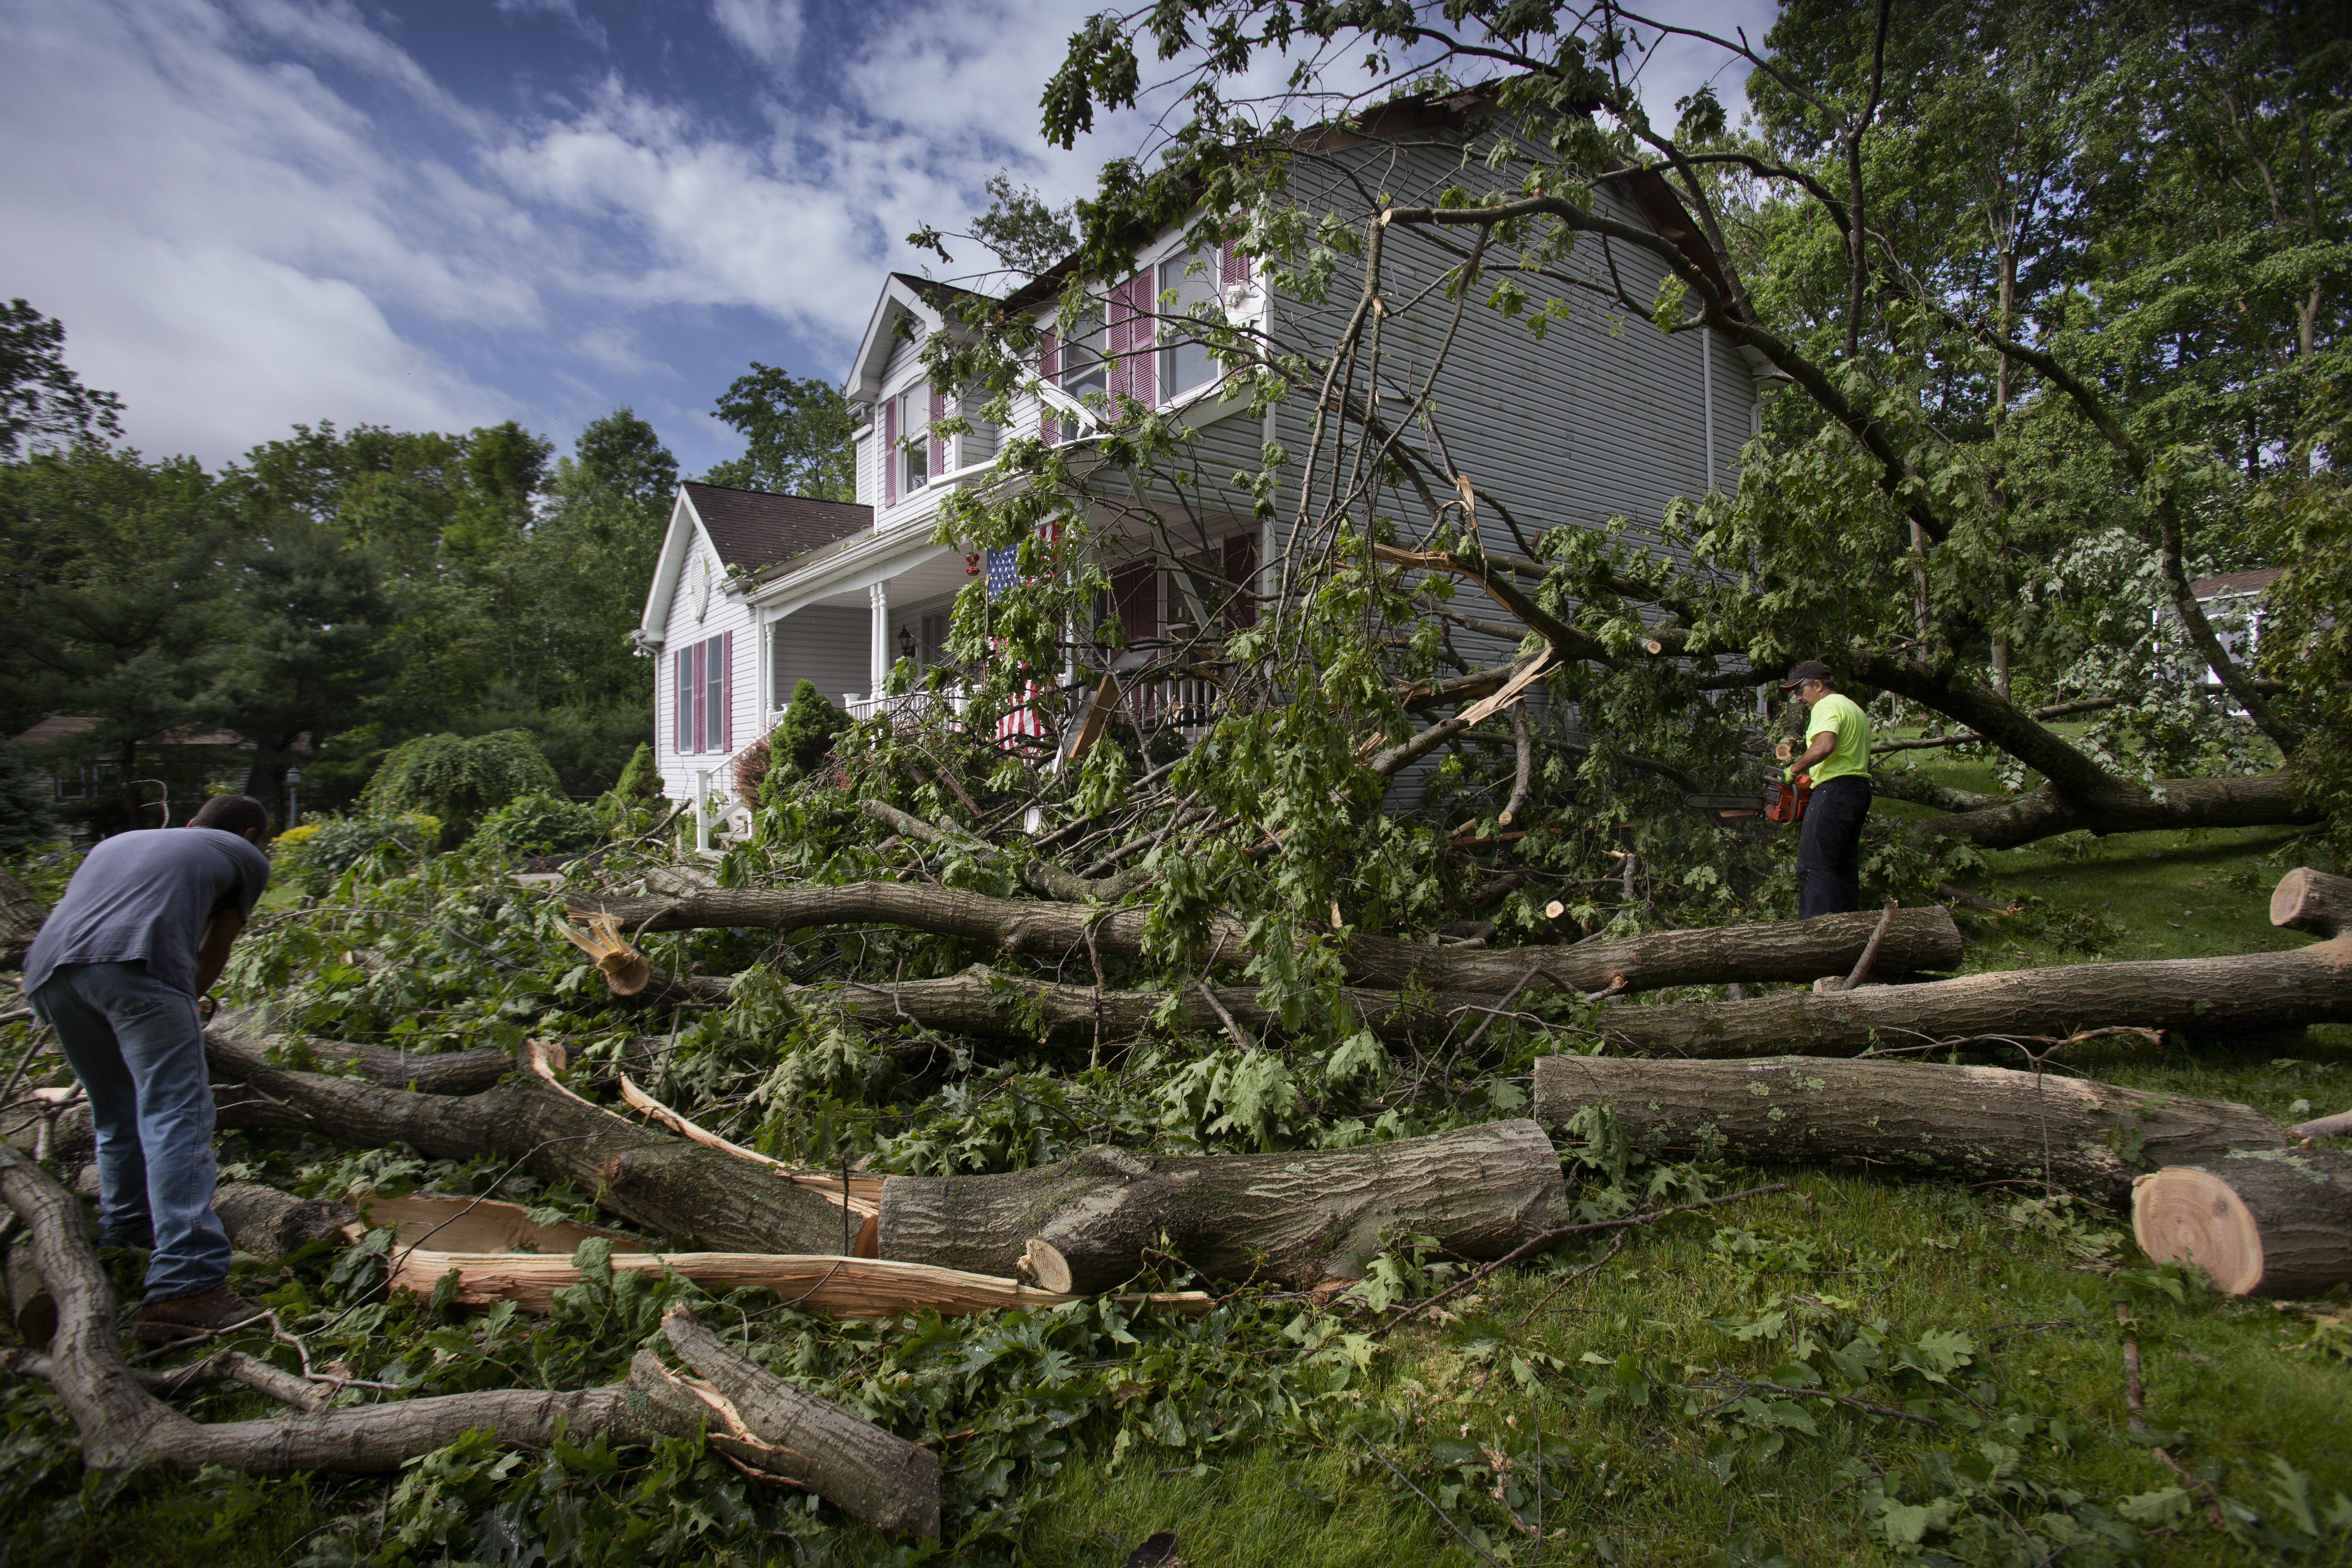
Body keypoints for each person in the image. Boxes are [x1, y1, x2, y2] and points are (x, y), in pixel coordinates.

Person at [23, 795, 274, 1339]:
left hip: (50, 974)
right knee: (175, 1112)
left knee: (117, 1113)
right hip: (136, 965)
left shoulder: (119, 842)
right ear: (250, 832)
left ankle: (128, 1239)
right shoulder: (244, 855)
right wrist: (185, 1008)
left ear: (190, 823)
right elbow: (212, 954)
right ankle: (189, 1284)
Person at [1779, 661, 1873, 919]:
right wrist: (1814, 776)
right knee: (1844, 867)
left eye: (1801, 691)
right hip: (1858, 790)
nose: (1799, 698)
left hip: (1835, 793)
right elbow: (1847, 757)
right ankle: (1848, 931)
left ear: (1818, 686)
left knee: (1813, 865)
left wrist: (1794, 770)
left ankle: (1812, 936)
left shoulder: (1826, 705)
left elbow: (1824, 746)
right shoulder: (1853, 708)